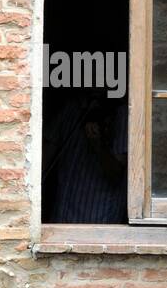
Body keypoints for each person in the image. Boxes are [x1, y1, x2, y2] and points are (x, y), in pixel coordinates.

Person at [44, 91, 128, 224]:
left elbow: (116, 174)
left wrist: (97, 145)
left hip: (97, 220)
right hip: (61, 217)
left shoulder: (121, 113)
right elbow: (45, 158)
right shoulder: (71, 107)